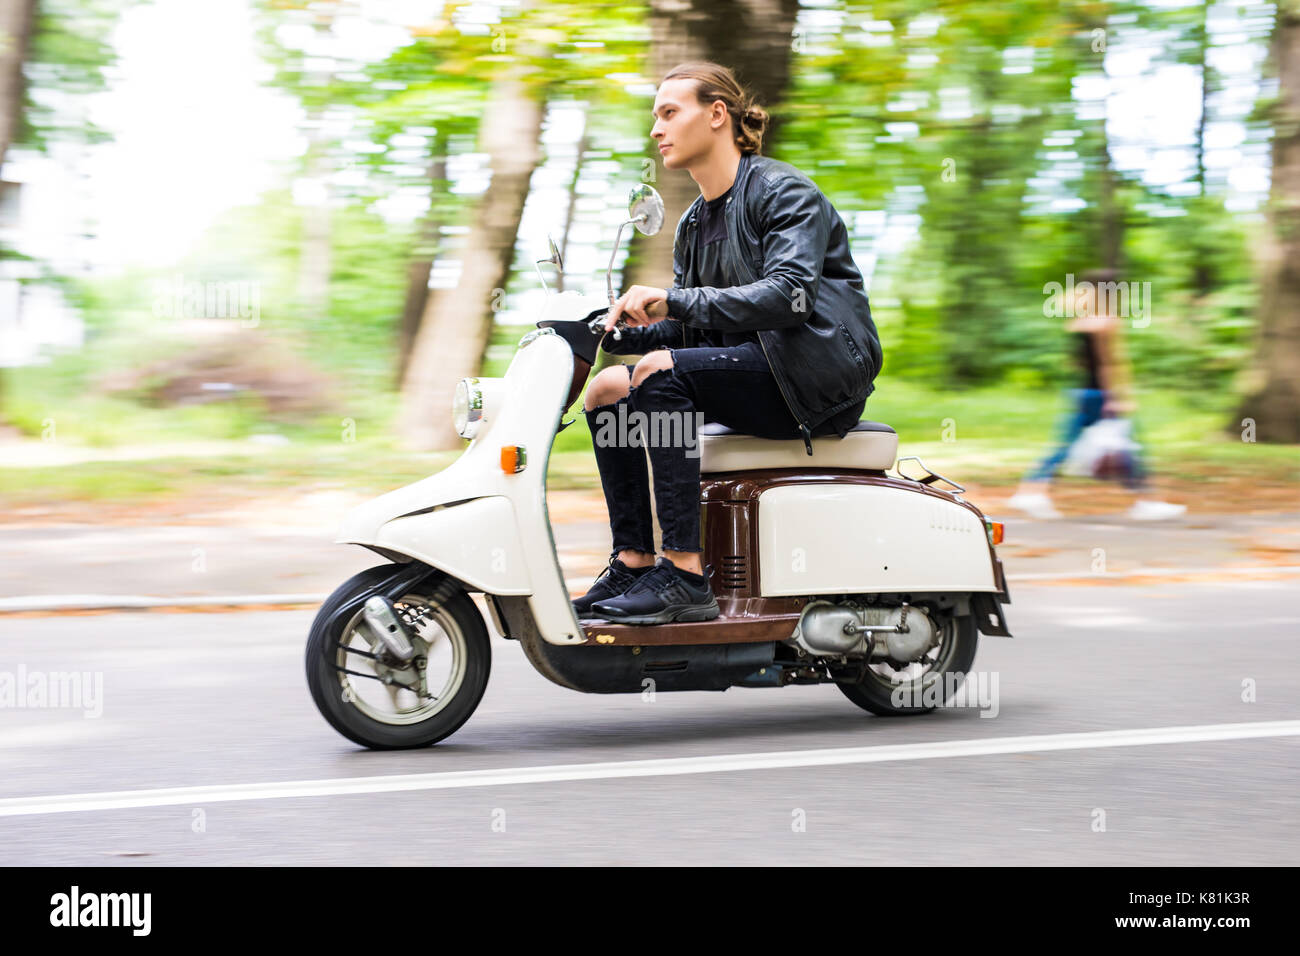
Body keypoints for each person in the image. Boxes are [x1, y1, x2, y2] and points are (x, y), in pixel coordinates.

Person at [571, 61, 883, 625]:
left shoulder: (782, 191)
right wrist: (618, 331)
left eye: (670, 112)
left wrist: (672, 303)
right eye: (655, 116)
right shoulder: (693, 223)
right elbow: (696, 329)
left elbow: (789, 297)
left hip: (811, 372)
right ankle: (635, 560)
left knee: (661, 373)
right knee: (609, 388)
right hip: (748, 366)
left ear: (717, 115)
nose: (656, 129)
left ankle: (686, 577)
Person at [1008, 271, 1186, 521]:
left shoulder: (1078, 320)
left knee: (1071, 445)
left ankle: (1032, 491)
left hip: (1081, 392)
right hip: (1101, 394)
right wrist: (1119, 396)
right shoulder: (1108, 321)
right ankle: (1146, 501)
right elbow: (1111, 363)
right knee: (1130, 446)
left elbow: (1077, 363)